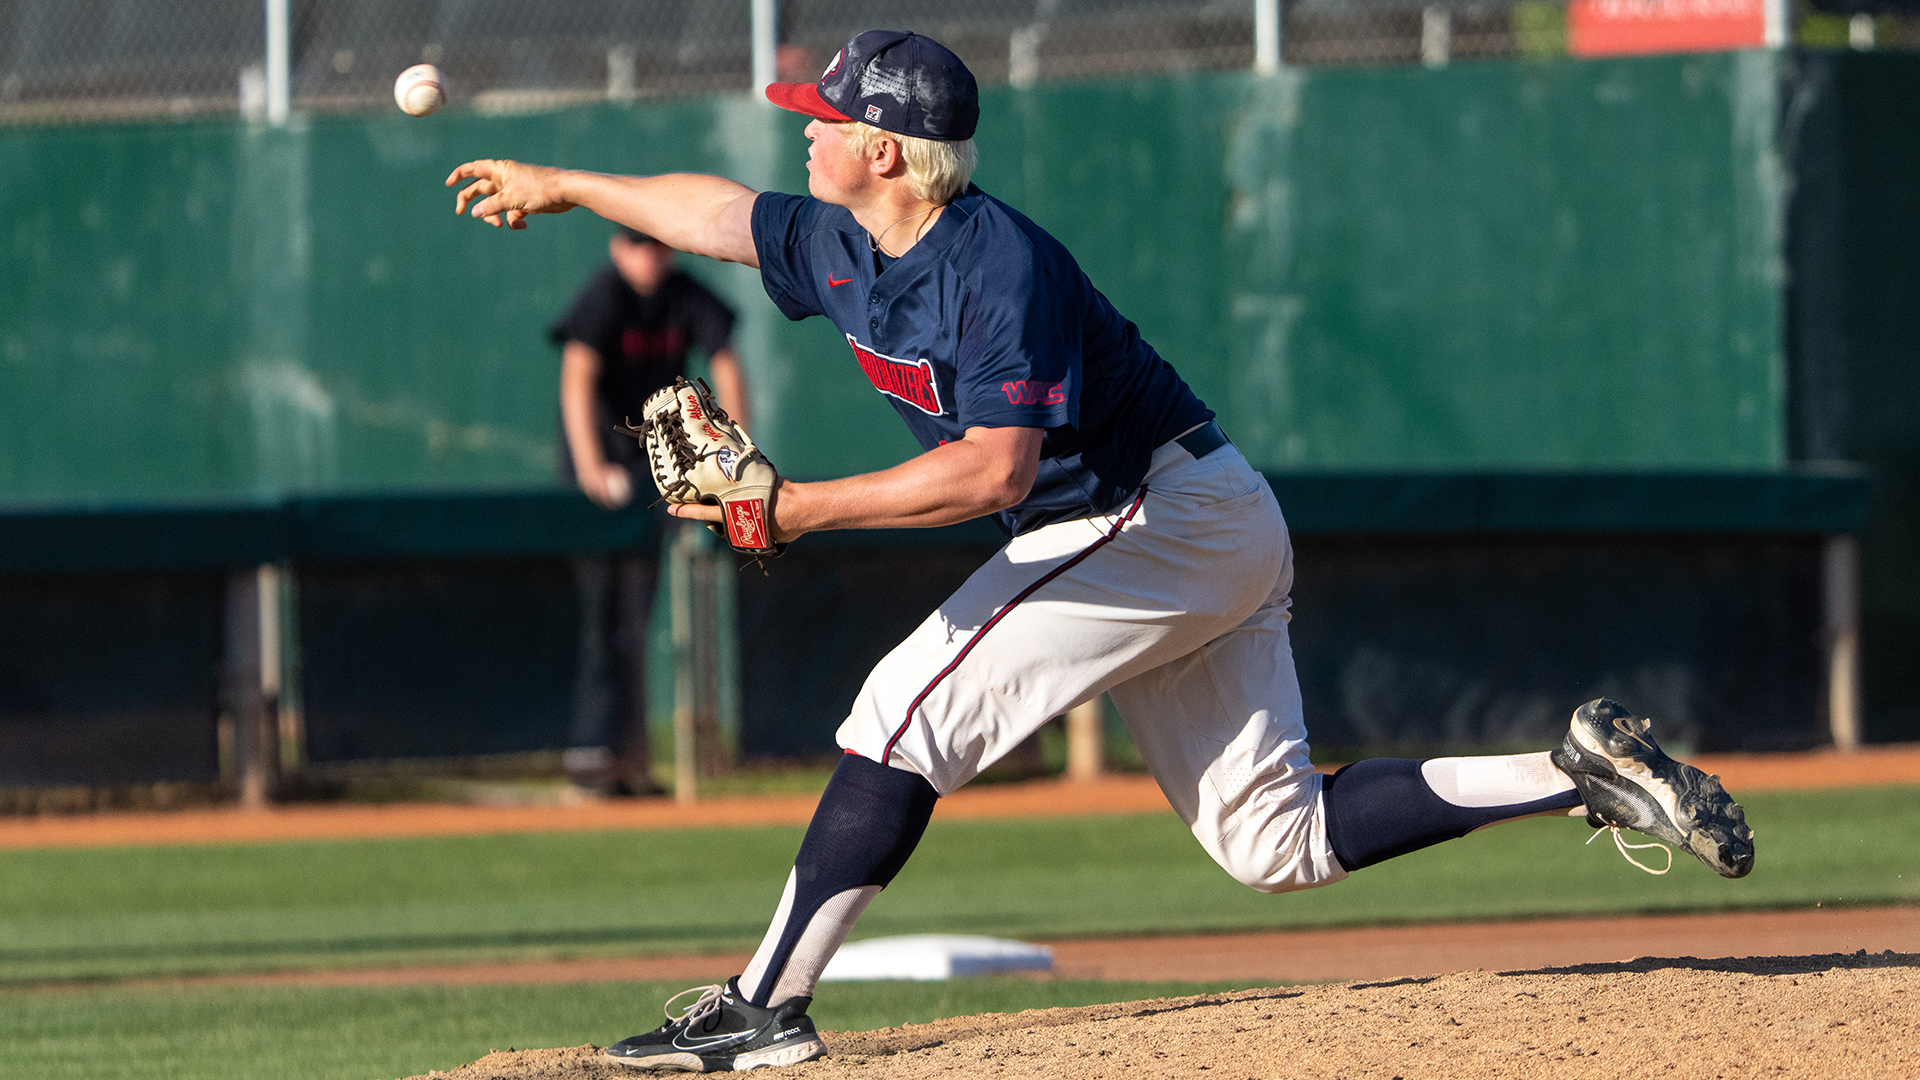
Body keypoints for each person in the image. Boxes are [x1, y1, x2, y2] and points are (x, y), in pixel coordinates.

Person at [448, 29, 1755, 1072]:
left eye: (830, 117)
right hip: (1193, 522)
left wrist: (798, 510)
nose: (807, 124)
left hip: (1153, 515)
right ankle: (1574, 770)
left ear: (893, 154)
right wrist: (564, 185)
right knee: (1274, 843)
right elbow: (715, 212)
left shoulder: (994, 267)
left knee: (899, 713)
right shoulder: (843, 239)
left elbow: (994, 471)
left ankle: (761, 1009)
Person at [549, 227, 749, 795]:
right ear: (616, 248)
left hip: (651, 478)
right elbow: (576, 381)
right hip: (595, 484)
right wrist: (590, 469)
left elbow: (727, 363)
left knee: (634, 623)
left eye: (657, 245)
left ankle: (631, 763)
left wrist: (736, 457)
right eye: (638, 245)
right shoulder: (604, 295)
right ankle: (588, 760)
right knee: (596, 619)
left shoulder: (683, 294)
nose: (649, 256)